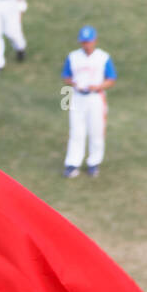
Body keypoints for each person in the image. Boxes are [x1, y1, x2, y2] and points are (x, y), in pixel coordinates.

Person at [61, 25, 117, 178]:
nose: (86, 44)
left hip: (96, 97)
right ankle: (72, 163)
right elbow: (65, 76)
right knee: (76, 131)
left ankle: (94, 162)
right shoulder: (73, 56)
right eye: (84, 42)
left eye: (89, 41)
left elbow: (111, 79)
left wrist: (98, 86)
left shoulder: (103, 57)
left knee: (96, 131)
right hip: (77, 96)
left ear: (95, 41)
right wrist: (73, 84)